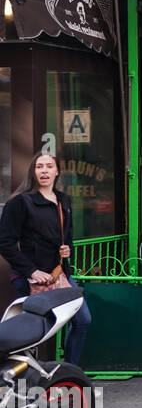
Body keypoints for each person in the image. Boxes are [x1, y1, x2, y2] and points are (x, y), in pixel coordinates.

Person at [0, 154, 92, 365]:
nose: (44, 171)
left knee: (82, 320)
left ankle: (69, 372)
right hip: (31, 279)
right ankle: (24, 375)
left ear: (57, 171)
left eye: (49, 166)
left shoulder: (63, 200)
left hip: (59, 276)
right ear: (33, 172)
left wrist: (68, 250)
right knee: (31, 331)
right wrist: (31, 271)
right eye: (39, 167)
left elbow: (67, 237)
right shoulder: (21, 202)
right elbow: (5, 242)